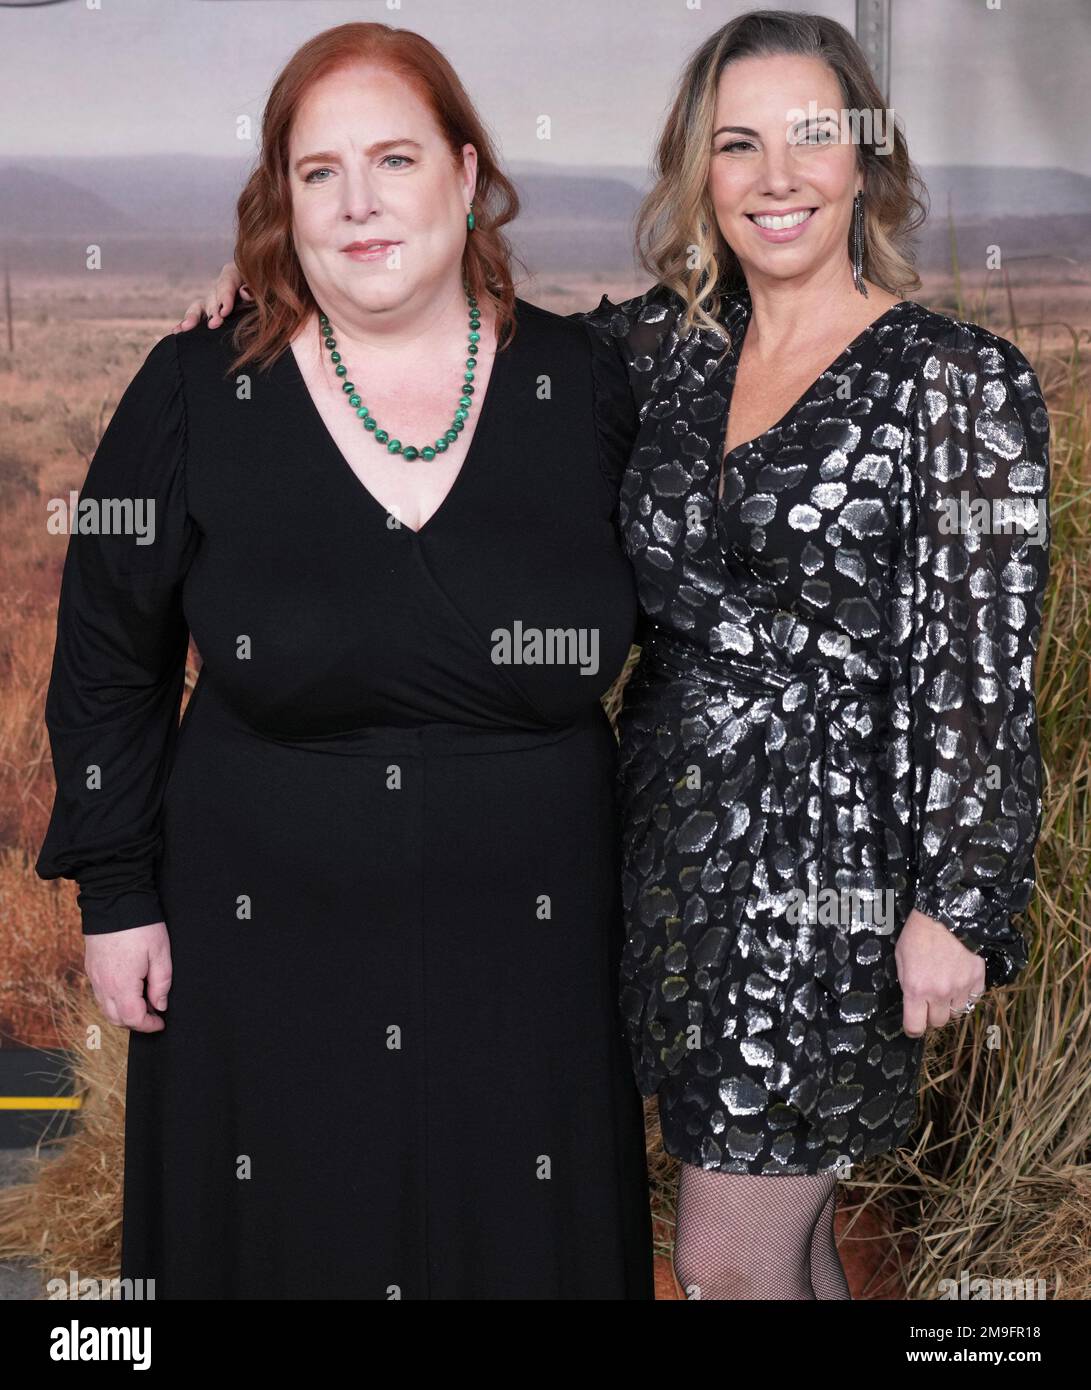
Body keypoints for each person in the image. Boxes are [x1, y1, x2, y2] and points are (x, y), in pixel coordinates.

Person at [180, 10, 1051, 1302]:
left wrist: (957, 904)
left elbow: (979, 671)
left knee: (720, 1264)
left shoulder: (954, 381)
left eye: (809, 139)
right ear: (696, 169)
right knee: (790, 1249)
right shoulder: (655, 353)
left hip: (827, 880)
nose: (772, 176)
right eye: (734, 143)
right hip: (660, 865)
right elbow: (480, 336)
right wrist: (307, 274)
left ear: (865, 160)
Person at [35, 21, 655, 1300]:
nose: (361, 203)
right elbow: (108, 652)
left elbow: (771, 274)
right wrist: (116, 894)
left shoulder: (591, 384)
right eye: (319, 174)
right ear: (280, 200)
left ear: (467, 173)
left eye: (393, 160)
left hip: (531, 958)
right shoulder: (194, 387)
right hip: (260, 947)